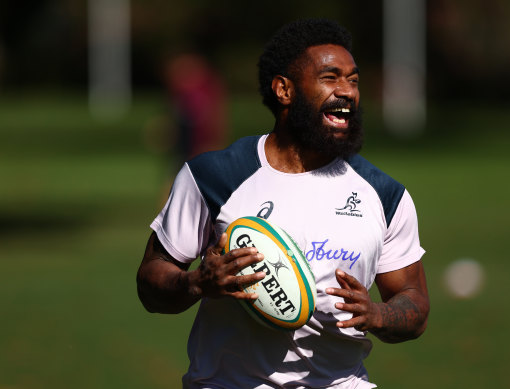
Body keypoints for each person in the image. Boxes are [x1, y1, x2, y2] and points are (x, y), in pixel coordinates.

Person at [137, 18, 429, 389]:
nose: (348, 92)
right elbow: (150, 282)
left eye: (353, 80)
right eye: (330, 77)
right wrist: (197, 283)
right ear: (284, 90)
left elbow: (415, 303)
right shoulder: (214, 177)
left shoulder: (385, 195)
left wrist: (379, 314)